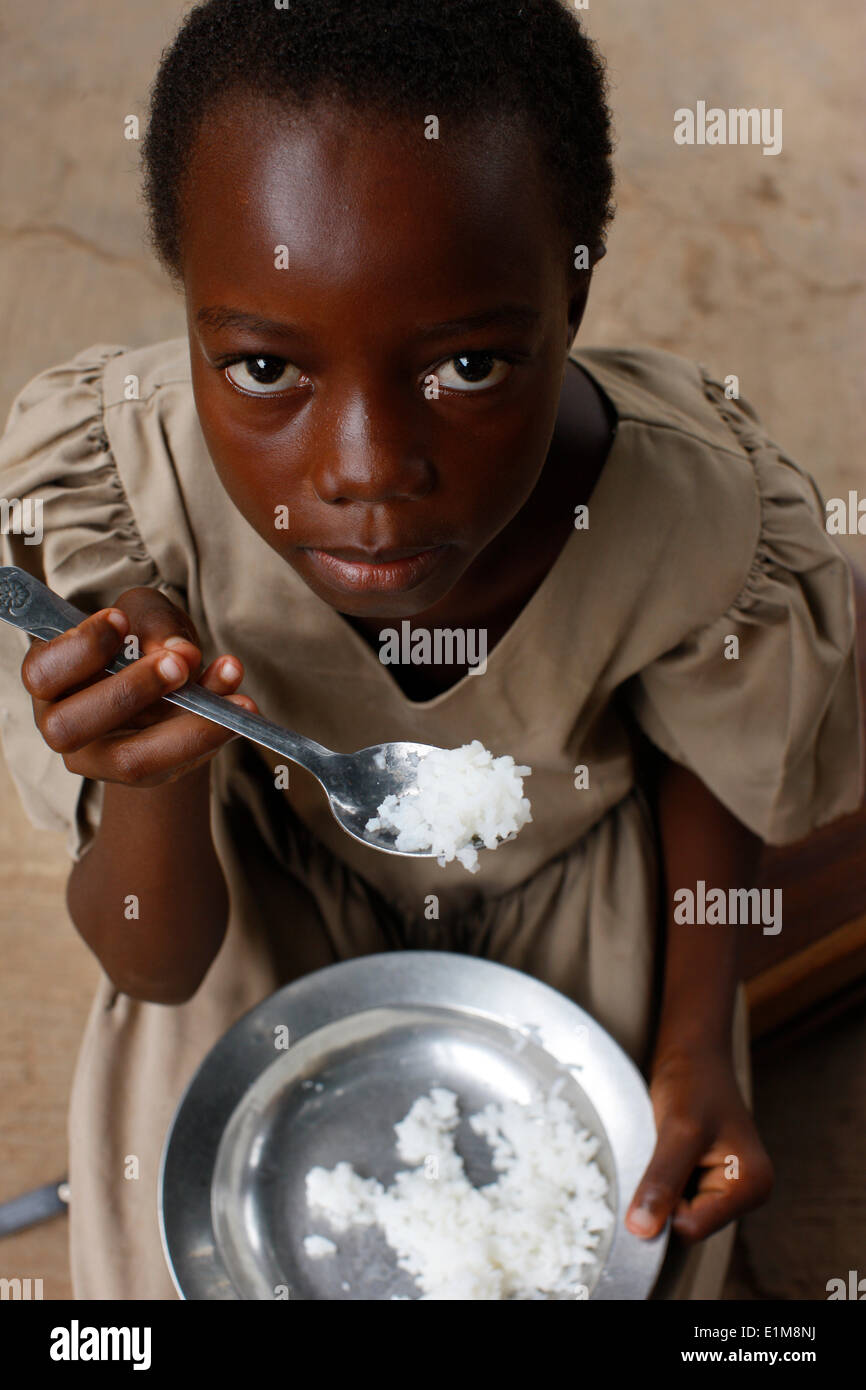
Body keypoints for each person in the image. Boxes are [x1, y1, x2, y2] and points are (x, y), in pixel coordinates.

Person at [0, 0, 861, 1301]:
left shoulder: (687, 508)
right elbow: (153, 959)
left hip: (573, 879)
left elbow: (717, 754)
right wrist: (149, 776)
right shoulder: (123, 511)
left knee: (642, 1238)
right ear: (185, 300)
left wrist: (698, 1046)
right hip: (247, 878)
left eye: (467, 364)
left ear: (572, 285)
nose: (366, 473)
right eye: (261, 369)